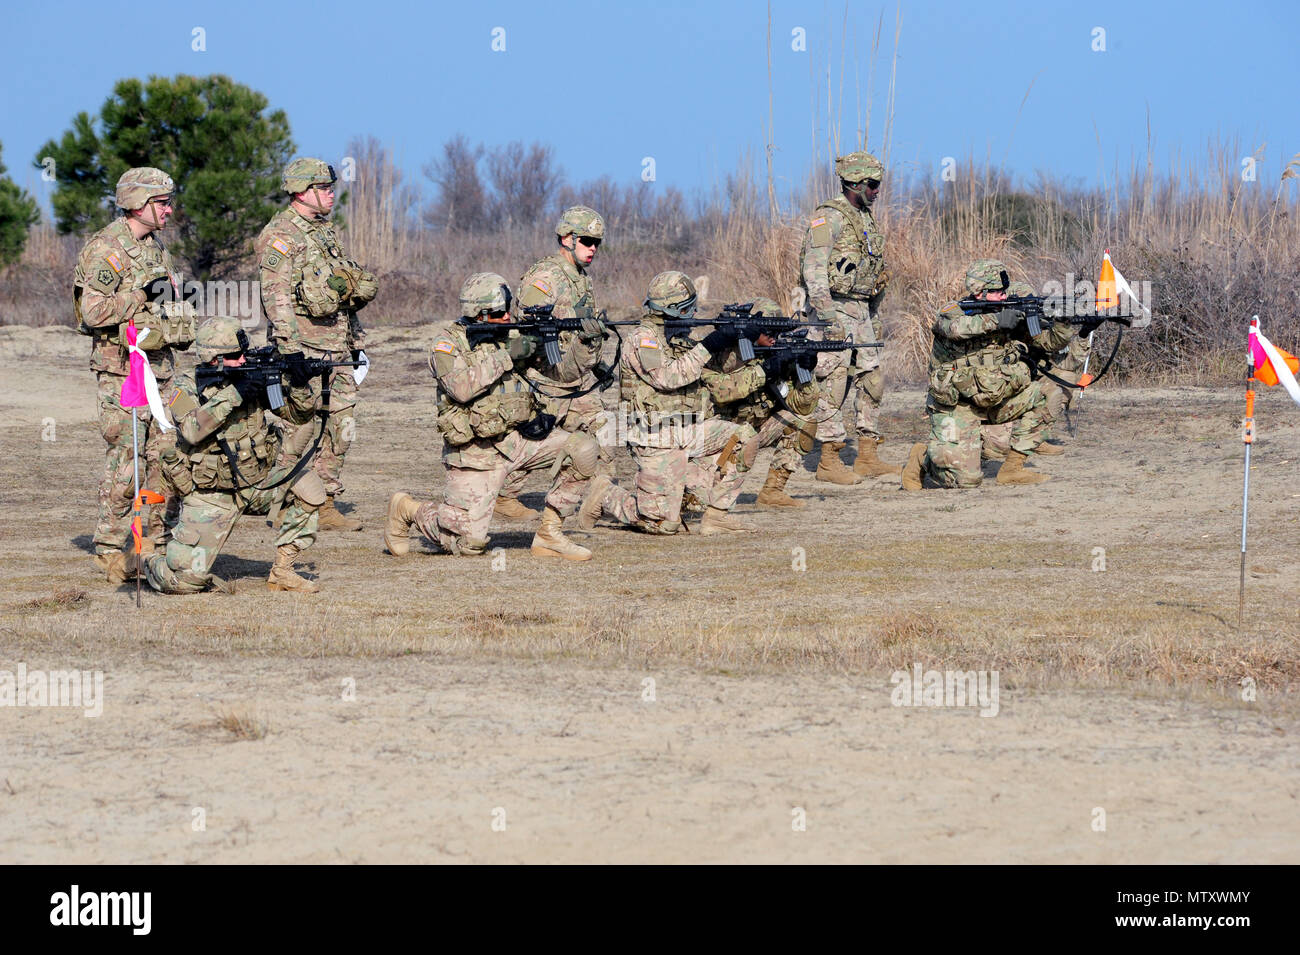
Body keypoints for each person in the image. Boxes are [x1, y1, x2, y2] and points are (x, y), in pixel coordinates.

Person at [383, 273, 602, 561]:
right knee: (467, 544)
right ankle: (408, 509)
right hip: (476, 451)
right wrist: (507, 355)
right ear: (480, 313)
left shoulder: (514, 335)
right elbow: (460, 388)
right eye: (500, 313)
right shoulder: (447, 344)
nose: (508, 316)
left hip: (518, 439)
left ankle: (550, 534)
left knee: (583, 448)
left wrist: (586, 343)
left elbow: (566, 374)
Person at [136, 318, 324, 594]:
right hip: (212, 495)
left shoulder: (255, 378)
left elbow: (299, 415)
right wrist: (236, 394)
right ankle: (146, 559)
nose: (244, 359)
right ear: (214, 359)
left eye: (244, 353)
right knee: (184, 583)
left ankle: (282, 572)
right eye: (236, 356)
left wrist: (299, 383)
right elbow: (191, 430)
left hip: (258, 484)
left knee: (309, 488)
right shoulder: (184, 388)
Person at [73, 167, 195, 582]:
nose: (169, 210)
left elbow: (165, 300)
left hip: (160, 369)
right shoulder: (106, 249)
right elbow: (92, 312)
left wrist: (179, 316)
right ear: (137, 204)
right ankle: (109, 547)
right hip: (122, 372)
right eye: (161, 203)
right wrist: (143, 294)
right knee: (127, 463)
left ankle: (150, 544)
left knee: (162, 459)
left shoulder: (156, 248)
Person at [575, 272, 758, 536]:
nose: (693, 313)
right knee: (663, 524)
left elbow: (715, 367)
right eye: (687, 308)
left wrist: (744, 341)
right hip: (655, 438)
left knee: (743, 438)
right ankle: (606, 496)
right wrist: (711, 343)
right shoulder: (642, 339)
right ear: (672, 310)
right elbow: (668, 377)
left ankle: (717, 516)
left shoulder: (678, 336)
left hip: (689, 431)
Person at [256, 157, 377, 532]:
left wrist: (352, 338)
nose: (330, 194)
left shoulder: (325, 232)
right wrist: (289, 350)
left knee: (341, 424)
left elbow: (342, 287)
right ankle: (280, 497)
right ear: (301, 191)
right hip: (302, 348)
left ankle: (324, 502)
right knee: (301, 427)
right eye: (323, 188)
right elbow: (275, 296)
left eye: (330, 187)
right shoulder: (281, 235)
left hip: (336, 347)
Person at [492, 205, 610, 522]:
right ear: (567, 238)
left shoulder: (581, 279)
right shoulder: (546, 277)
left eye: (597, 242)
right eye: (587, 240)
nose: (593, 248)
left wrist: (594, 360)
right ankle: (504, 497)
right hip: (544, 375)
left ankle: (593, 500)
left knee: (604, 433)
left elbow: (582, 327)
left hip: (574, 375)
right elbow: (528, 327)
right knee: (536, 438)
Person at [902, 260, 1061, 490]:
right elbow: (954, 329)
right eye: (998, 293)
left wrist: (1063, 323)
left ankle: (1012, 469)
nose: (1004, 297)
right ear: (980, 293)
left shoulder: (1007, 313)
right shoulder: (953, 312)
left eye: (1004, 292)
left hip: (994, 401)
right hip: (956, 406)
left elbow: (1048, 343)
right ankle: (924, 456)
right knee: (966, 481)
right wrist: (997, 321)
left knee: (1048, 394)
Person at [799, 149, 898, 484]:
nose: (877, 190)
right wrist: (828, 319)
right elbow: (814, 273)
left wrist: (873, 313)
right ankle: (828, 460)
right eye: (872, 184)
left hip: (859, 310)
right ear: (854, 183)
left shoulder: (864, 219)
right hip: (833, 310)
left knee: (872, 380)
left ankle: (867, 456)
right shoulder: (829, 218)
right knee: (832, 381)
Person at [703, 298, 820, 508]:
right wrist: (764, 370)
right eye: (767, 333)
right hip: (720, 435)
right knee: (697, 499)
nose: (772, 339)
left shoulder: (778, 355)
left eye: (776, 334)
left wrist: (806, 372)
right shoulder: (726, 353)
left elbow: (802, 406)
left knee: (803, 423)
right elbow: (722, 392)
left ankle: (772, 493)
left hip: (755, 429)